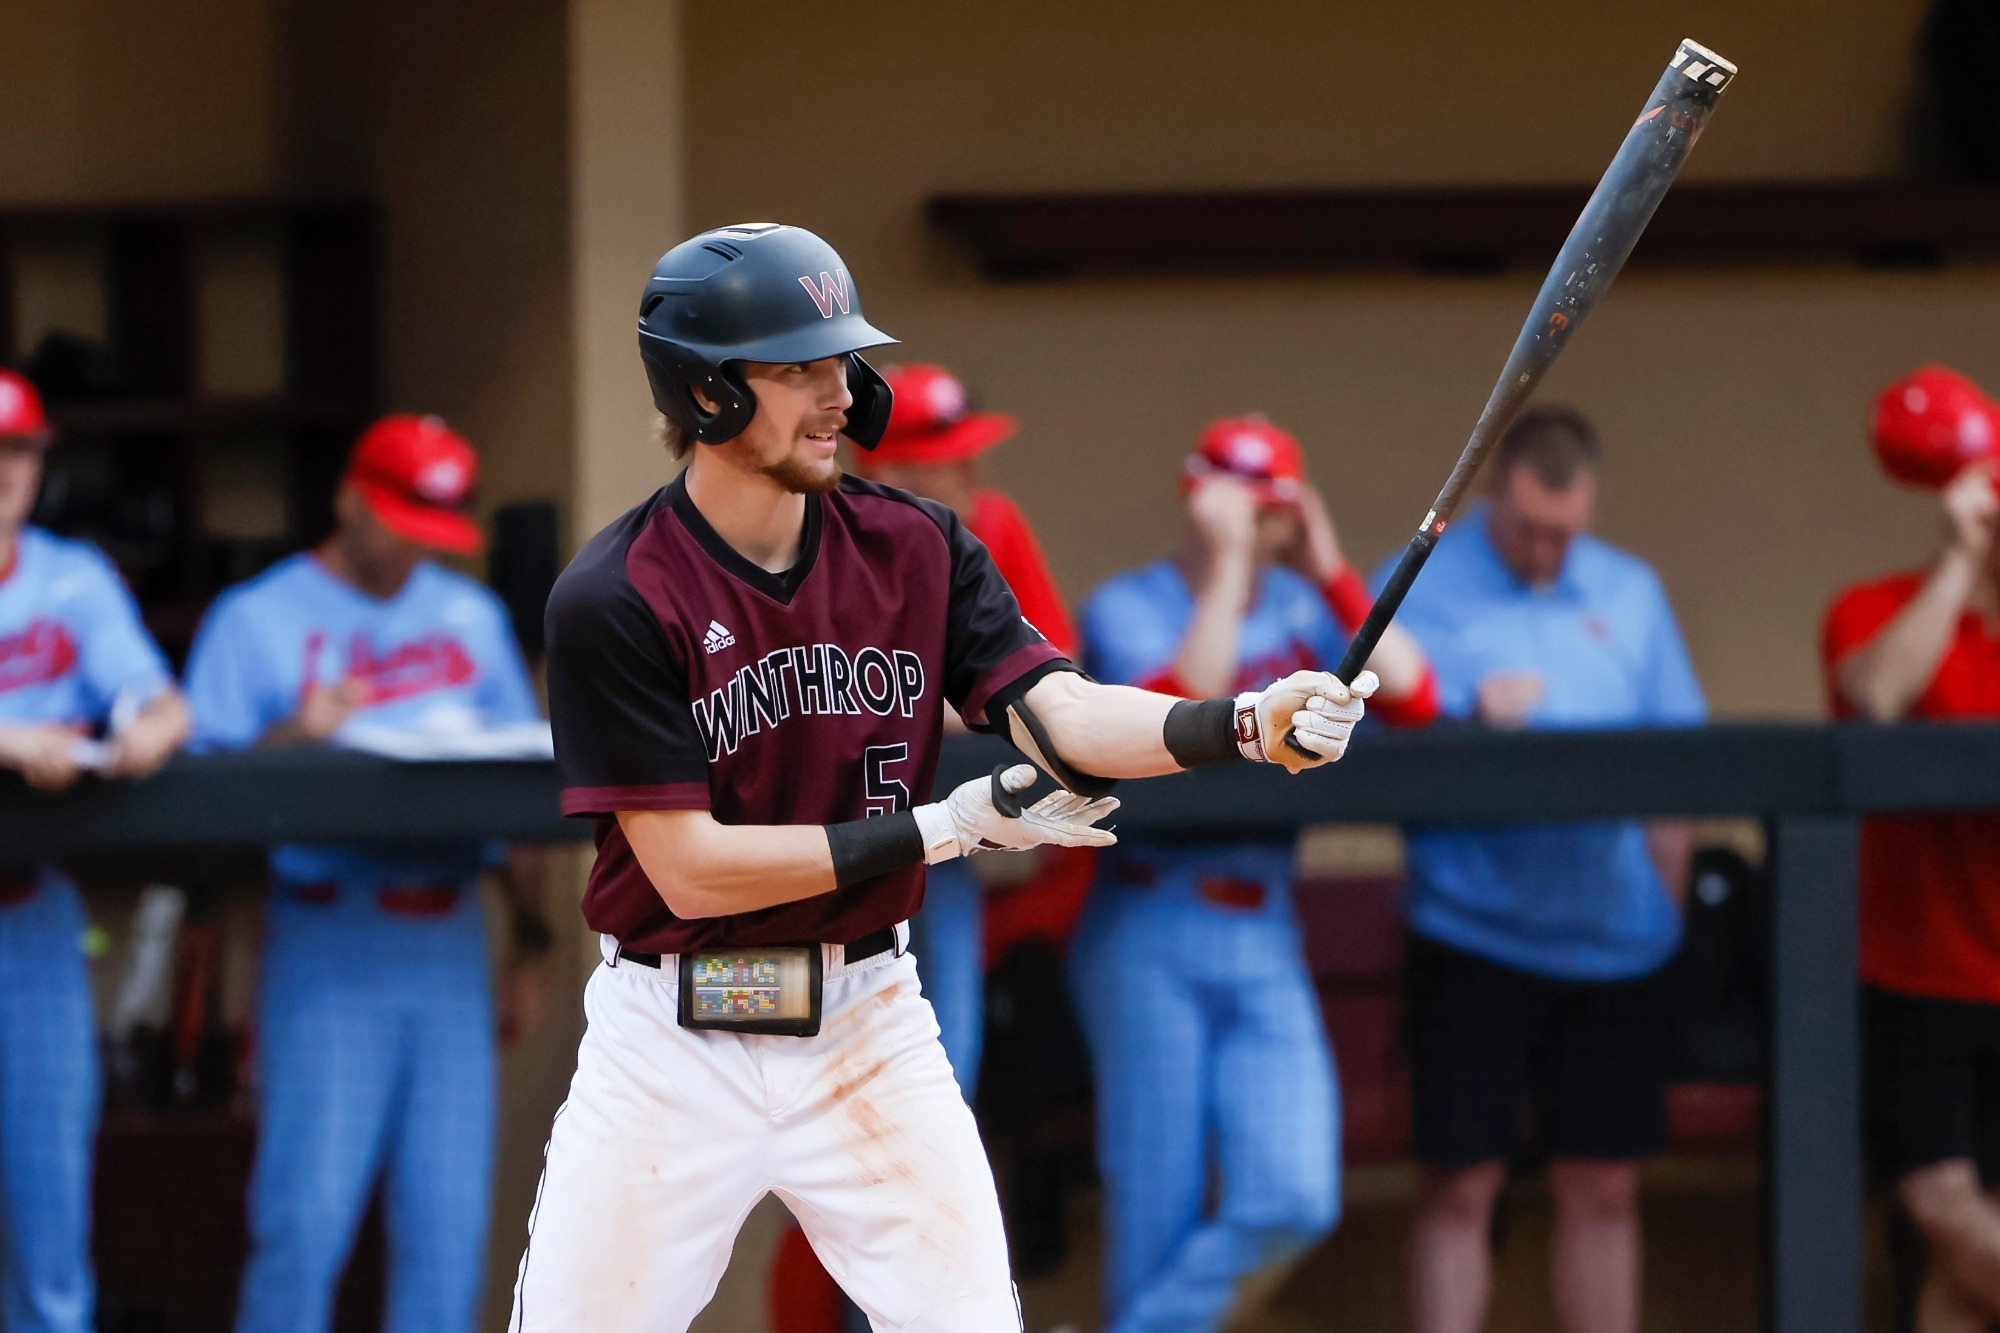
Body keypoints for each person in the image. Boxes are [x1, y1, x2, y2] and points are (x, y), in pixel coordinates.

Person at [508, 222, 1377, 1333]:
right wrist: (945, 829)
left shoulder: (918, 547)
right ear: (709, 392)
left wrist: (1246, 723)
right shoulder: (617, 595)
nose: (839, 394)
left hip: (866, 1018)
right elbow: (691, 871)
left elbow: (1064, 715)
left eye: (840, 362)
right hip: (673, 1034)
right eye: (799, 368)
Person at [182, 415, 552, 1333]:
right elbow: (189, 803)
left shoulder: (470, 618)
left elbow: (525, 787)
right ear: (350, 498)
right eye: (399, 524)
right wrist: (293, 743)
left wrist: (531, 940)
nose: (414, 549)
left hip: (448, 943)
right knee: (302, 1226)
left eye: (431, 532)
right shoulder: (256, 617)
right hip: (327, 934)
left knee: (447, 1233)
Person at [1074, 416, 1437, 1333]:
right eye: (1240, 503)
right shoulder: (1129, 603)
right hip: (1150, 912)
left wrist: (1330, 567)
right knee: (1154, 1199)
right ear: (1195, 496)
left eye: (1273, 507)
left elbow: (1416, 695)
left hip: (1265, 919)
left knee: (1295, 1192)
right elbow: (1173, 710)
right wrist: (1231, 563)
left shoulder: (1305, 612)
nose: (1257, 522)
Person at [1384, 406, 1704, 1333]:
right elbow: (1355, 728)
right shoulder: (1421, 583)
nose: (1547, 550)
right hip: (1470, 930)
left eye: (1566, 533)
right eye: (1529, 529)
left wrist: (1669, 913)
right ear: (1495, 493)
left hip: (1615, 941)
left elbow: (1681, 767)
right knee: (1460, 1182)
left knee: (1602, 1183)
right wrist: (1461, 715)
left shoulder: (1630, 592)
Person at [0, 368, 190, 1333]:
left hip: (29, 912)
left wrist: (152, 721)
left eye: (18, 450)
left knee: (49, 1211)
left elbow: (152, 696)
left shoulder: (69, 577)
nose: (5, 470)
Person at [852, 361, 1081, 1099]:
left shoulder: (991, 523)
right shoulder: (832, 534)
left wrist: (936, 701)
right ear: (888, 469)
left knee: (946, 1064)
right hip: (829, 843)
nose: (972, 474)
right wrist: (959, 699)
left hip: (939, 838)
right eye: (949, 461)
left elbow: (1054, 675)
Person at [1826, 366, 2000, 1333]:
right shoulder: (1876, 606)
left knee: (1963, 1269)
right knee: (1941, 1210)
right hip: (1916, 976)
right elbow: (1878, 695)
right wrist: (1961, 561)